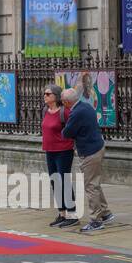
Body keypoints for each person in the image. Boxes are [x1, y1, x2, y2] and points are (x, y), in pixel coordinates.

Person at [61, 87, 112, 233]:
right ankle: (105, 213)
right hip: (97, 147)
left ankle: (96, 220)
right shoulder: (86, 106)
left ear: (65, 102)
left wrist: (63, 130)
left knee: (90, 186)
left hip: (90, 151)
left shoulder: (76, 112)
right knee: (94, 183)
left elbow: (67, 132)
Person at [41, 85, 78, 228]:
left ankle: (72, 214)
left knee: (64, 180)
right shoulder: (45, 111)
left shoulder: (65, 112)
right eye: (44, 93)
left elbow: (73, 128)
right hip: (49, 151)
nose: (45, 96)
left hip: (63, 151)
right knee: (54, 181)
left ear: (56, 96)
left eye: (48, 94)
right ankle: (62, 213)